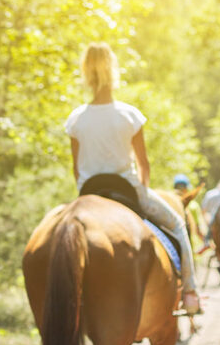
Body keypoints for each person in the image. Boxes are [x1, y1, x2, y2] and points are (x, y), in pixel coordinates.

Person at [65, 43, 202, 314]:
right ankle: (189, 293)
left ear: (85, 73)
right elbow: (144, 165)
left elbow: (76, 170)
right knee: (176, 224)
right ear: (113, 70)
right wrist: (142, 190)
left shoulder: (76, 119)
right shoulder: (129, 115)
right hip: (127, 190)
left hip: (89, 194)